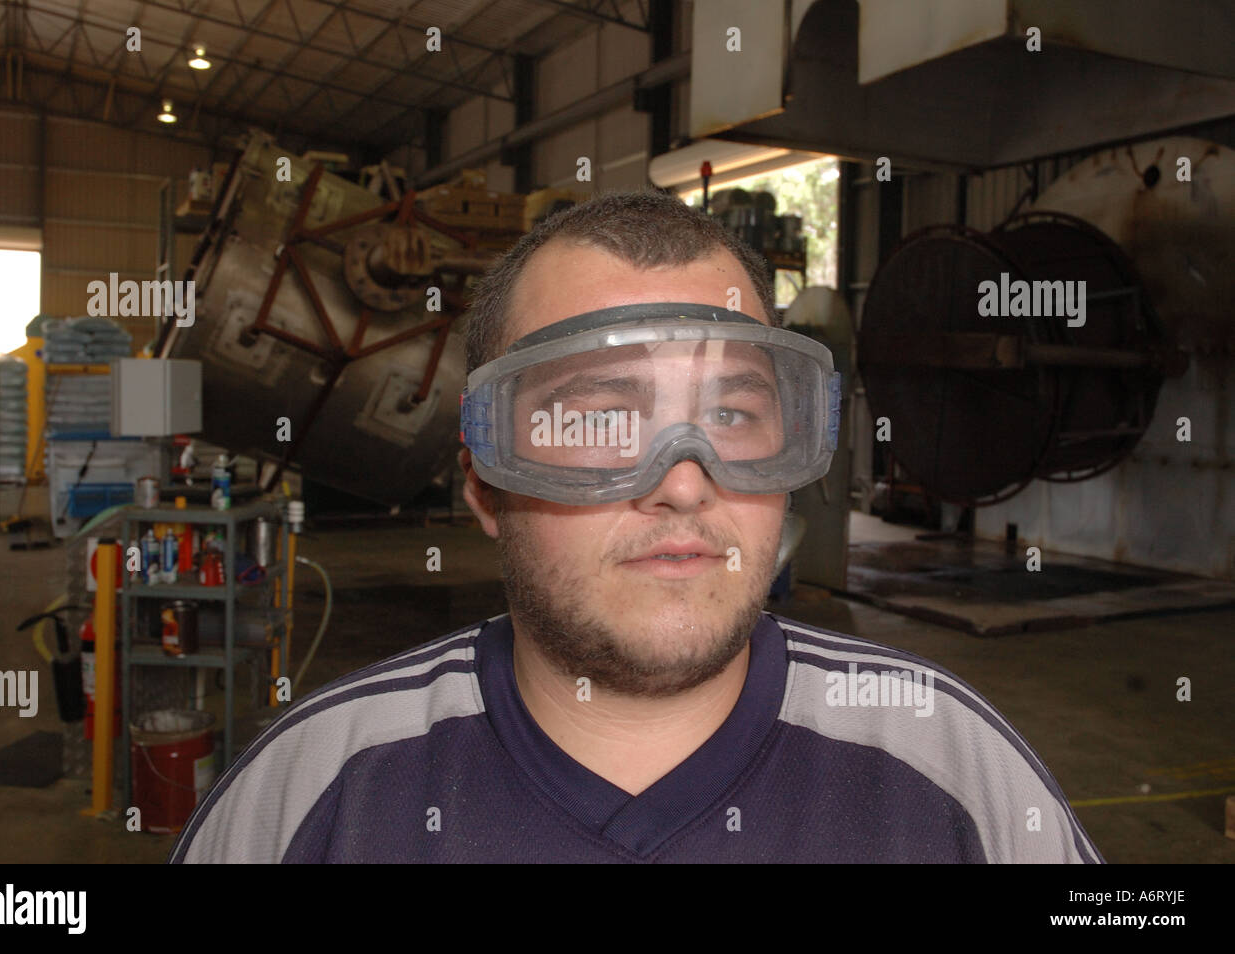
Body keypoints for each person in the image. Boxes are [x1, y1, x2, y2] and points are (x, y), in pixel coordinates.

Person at [171, 189, 1102, 863]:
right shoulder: (312, 798)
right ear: (486, 488)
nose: (683, 486)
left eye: (732, 414)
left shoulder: (953, 768)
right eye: (602, 419)